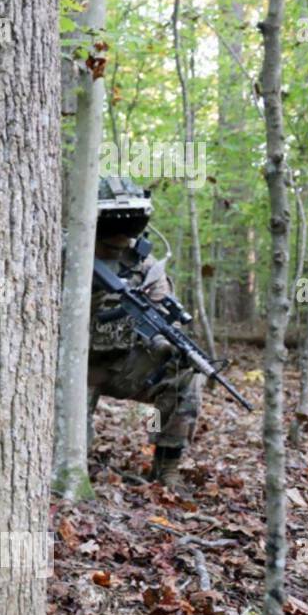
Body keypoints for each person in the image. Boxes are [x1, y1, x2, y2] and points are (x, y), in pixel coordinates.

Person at [88, 177, 205, 490]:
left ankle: (166, 468)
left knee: (183, 373)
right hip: (71, 367)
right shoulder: (67, 253)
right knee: (73, 443)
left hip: (121, 364)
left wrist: (165, 344)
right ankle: (69, 466)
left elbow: (159, 318)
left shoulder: (145, 266)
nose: (121, 227)